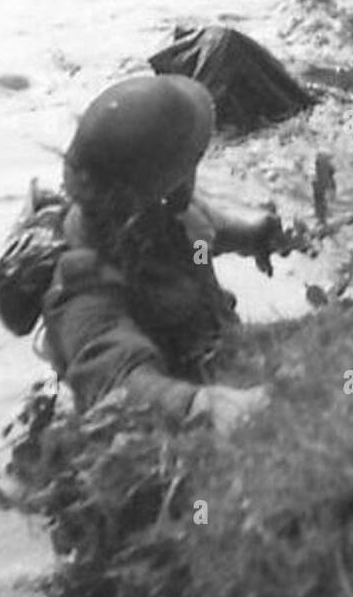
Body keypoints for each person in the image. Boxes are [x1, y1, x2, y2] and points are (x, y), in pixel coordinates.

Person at [40, 74, 303, 434]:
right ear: (163, 185)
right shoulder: (83, 284)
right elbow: (113, 375)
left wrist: (254, 237)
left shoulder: (166, 215)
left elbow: (207, 235)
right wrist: (196, 404)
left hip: (212, 350)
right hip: (170, 396)